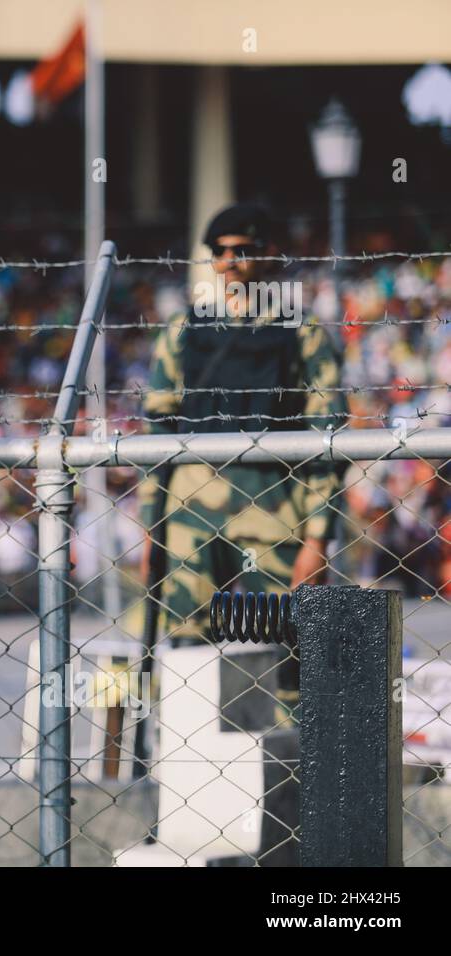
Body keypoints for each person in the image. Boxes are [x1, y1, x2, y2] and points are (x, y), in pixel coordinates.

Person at [138, 203, 348, 725]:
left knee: (284, 652)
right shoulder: (184, 328)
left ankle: (292, 787)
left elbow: (327, 438)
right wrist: (151, 526)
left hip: (273, 505)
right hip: (190, 508)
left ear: (271, 255)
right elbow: (157, 426)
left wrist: (319, 538)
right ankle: (190, 778)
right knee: (186, 648)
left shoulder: (302, 331)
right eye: (221, 252)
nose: (231, 262)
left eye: (245, 250)